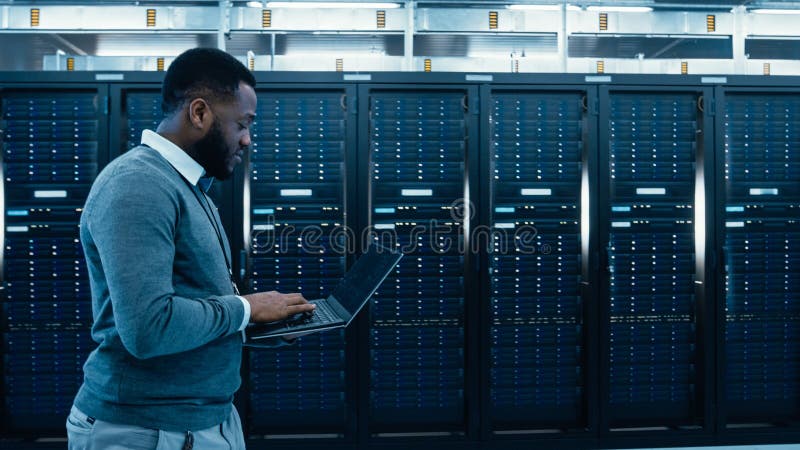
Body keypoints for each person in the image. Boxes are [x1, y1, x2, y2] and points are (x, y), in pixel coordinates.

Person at [66, 47, 315, 450]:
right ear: (199, 113)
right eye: (242, 124)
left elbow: (194, 301)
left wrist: (258, 322)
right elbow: (148, 328)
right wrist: (246, 308)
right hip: (145, 431)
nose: (248, 139)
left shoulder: (187, 186)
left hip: (201, 419)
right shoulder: (137, 185)